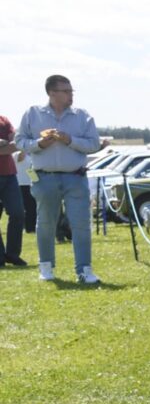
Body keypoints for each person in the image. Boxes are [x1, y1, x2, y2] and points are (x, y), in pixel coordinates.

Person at [17, 74, 100, 283]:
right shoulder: (32, 114)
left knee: (81, 224)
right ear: (52, 93)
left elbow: (94, 144)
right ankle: (46, 267)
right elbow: (19, 141)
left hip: (76, 177)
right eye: (66, 91)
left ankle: (85, 270)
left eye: (71, 90)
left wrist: (69, 139)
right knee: (45, 223)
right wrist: (39, 144)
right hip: (44, 178)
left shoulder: (83, 116)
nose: (71, 94)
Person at [0, 114, 23, 265]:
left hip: (9, 174)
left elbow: (17, 143)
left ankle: (12, 254)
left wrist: (6, 145)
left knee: (18, 213)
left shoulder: (3, 119)